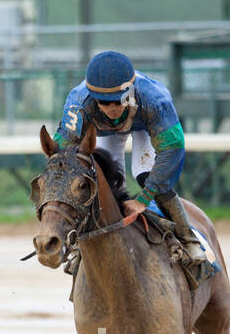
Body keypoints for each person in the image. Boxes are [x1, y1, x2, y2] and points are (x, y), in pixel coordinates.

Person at [54, 50, 209, 267]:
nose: (112, 109)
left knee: (146, 175)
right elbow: (64, 151)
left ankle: (187, 238)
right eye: (104, 103)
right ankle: (81, 245)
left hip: (144, 125)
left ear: (130, 91)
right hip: (103, 132)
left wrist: (143, 199)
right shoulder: (79, 102)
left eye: (118, 101)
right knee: (103, 181)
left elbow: (171, 150)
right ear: (92, 98)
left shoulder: (154, 99)